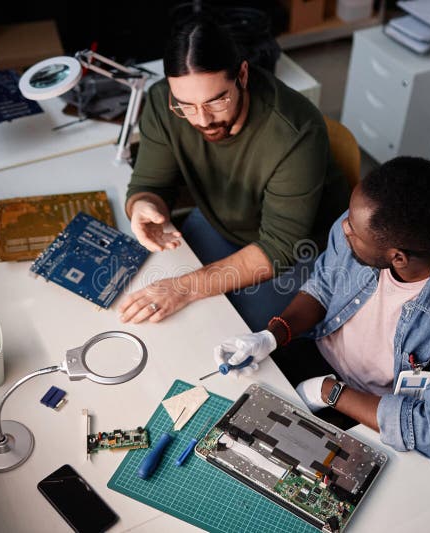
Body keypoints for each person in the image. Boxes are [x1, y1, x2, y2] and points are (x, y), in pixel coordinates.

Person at [213, 157, 430, 460]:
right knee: (227, 421)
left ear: (398, 258)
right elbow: (323, 288)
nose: (344, 228)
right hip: (315, 352)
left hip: (371, 408)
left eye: (354, 230)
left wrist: (329, 393)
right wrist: (271, 336)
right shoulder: (365, 220)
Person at [119, 15, 349, 331]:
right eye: (186, 105)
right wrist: (145, 205)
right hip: (223, 222)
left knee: (223, 330)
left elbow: (278, 247)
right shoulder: (163, 101)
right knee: (152, 301)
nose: (201, 119)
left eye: (217, 101)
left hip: (300, 251)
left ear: (242, 74)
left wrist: (186, 287)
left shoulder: (295, 131)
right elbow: (149, 183)